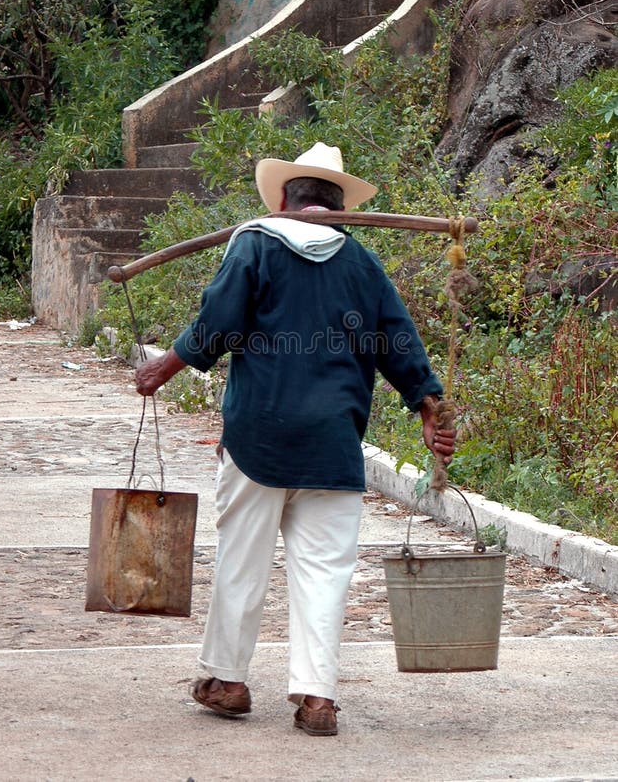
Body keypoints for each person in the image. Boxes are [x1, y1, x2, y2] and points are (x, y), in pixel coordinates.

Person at [135, 142, 456, 736]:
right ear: (337, 207)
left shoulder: (256, 243)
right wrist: (426, 405)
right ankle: (317, 699)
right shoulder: (361, 265)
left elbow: (219, 322)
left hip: (260, 438)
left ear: (284, 199)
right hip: (334, 442)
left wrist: (164, 367)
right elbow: (399, 342)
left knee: (242, 562)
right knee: (325, 572)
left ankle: (227, 680)